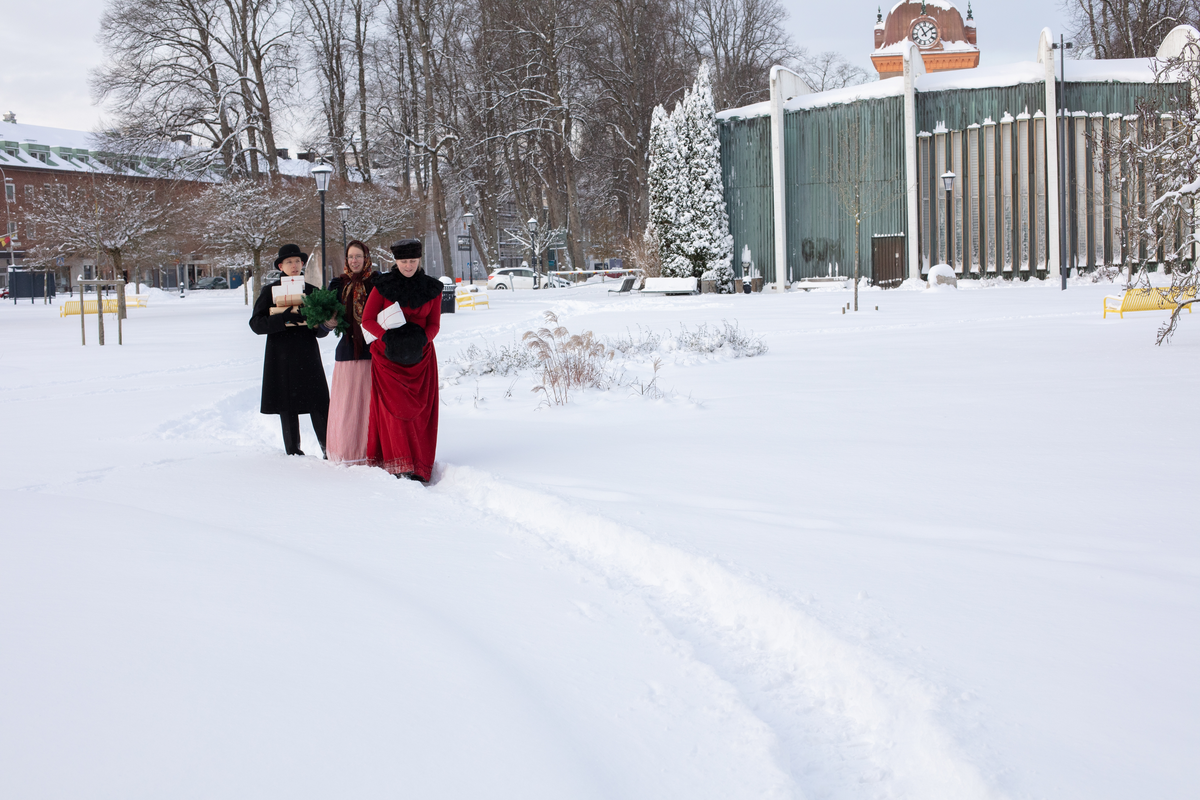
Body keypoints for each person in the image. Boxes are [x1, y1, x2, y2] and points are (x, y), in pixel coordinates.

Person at [360, 239, 443, 482]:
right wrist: (388, 338)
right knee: (394, 414)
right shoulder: (382, 286)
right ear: (396, 261)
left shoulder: (432, 288)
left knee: (419, 416)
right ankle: (398, 463)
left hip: (421, 358)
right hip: (388, 359)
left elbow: (435, 324)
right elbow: (367, 320)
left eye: (412, 261)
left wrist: (420, 340)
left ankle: (418, 466)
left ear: (419, 260)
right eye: (404, 261)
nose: (408, 265)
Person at [249, 243, 331, 456]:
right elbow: (256, 324)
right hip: (280, 355)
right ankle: (293, 452)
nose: (294, 265)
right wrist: (281, 319)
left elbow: (321, 330)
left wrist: (321, 324)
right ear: (280, 266)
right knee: (287, 404)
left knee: (318, 402)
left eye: (297, 261)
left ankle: (329, 449)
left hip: (307, 353)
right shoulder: (269, 291)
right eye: (289, 262)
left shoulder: (312, 291)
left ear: (302, 263)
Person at [325, 240, 375, 465]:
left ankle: (369, 450)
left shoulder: (376, 283)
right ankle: (347, 451)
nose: (355, 261)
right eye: (351, 257)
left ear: (366, 258)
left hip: (373, 353)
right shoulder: (338, 285)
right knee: (347, 406)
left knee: (369, 405)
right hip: (347, 352)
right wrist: (328, 322)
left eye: (359, 256)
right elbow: (323, 321)